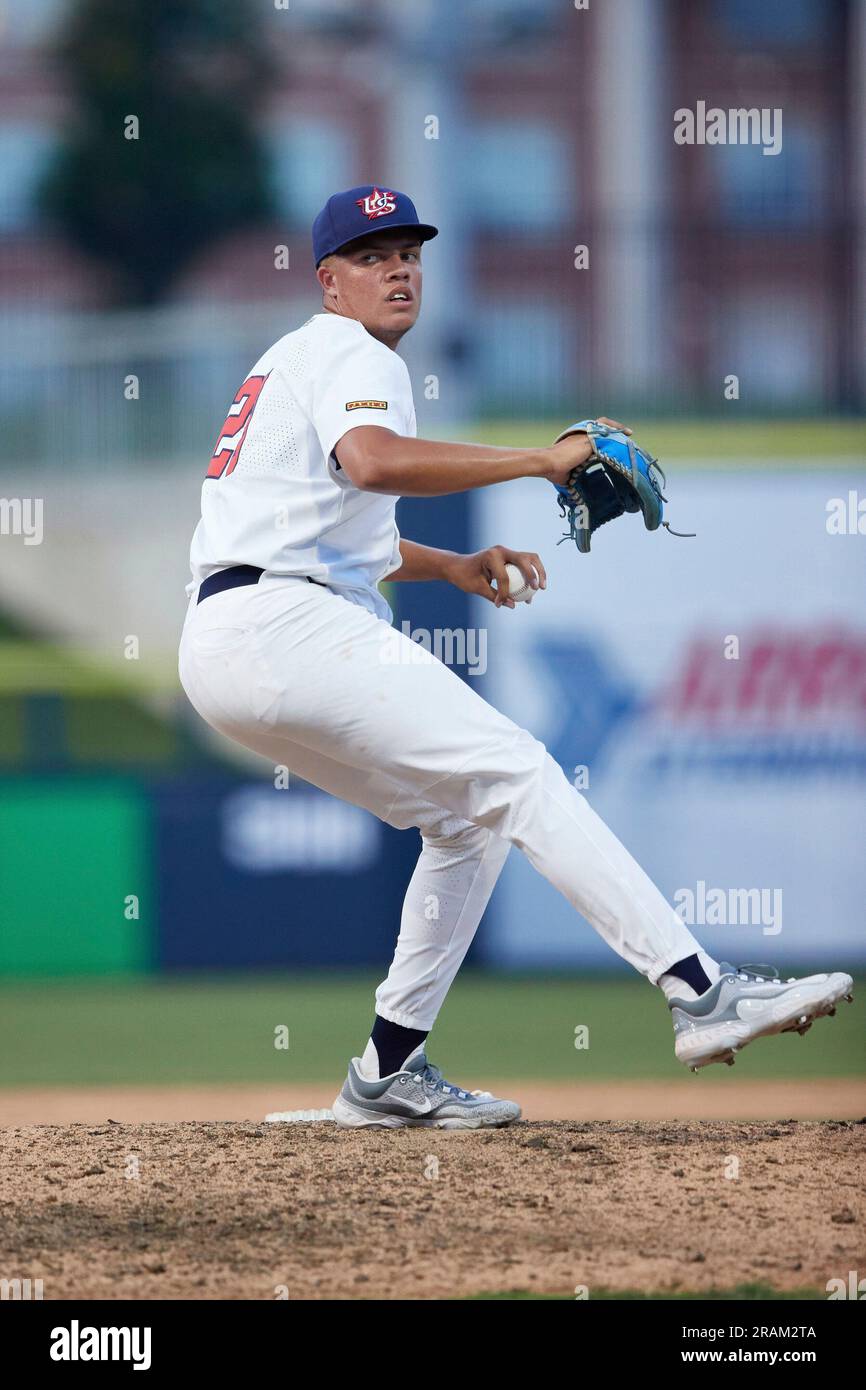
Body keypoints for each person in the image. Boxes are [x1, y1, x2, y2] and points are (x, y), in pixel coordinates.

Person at [178, 185, 853, 1130]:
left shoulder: (299, 361)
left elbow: (324, 518)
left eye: (409, 250)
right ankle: (702, 992)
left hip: (234, 640)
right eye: (373, 256)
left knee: (470, 822)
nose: (400, 267)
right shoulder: (345, 349)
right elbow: (373, 460)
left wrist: (450, 564)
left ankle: (387, 1071)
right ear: (330, 283)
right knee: (520, 769)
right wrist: (542, 458)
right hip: (285, 627)